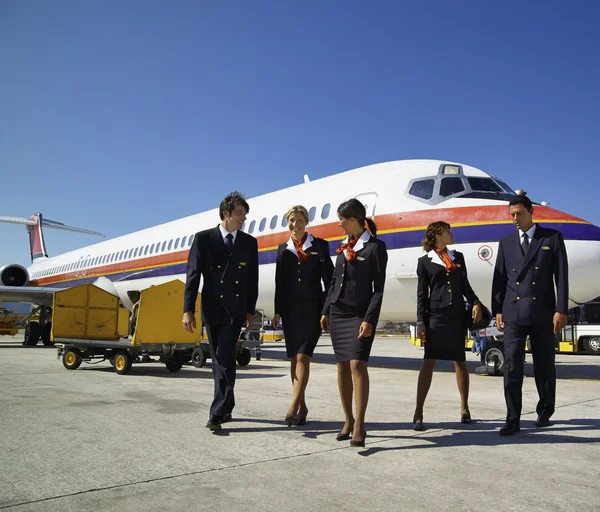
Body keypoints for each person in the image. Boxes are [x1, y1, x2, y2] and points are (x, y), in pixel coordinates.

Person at [492, 193, 568, 435]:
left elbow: (562, 277)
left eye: (519, 214)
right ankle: (512, 419)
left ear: (531, 212)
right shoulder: (506, 242)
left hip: (542, 312)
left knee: (544, 366)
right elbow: (500, 279)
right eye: (512, 215)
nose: (515, 219)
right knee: (512, 367)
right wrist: (497, 309)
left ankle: (545, 411)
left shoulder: (551, 238)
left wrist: (561, 309)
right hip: (513, 312)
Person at [182, 191, 259, 433]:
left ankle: (216, 413)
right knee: (219, 360)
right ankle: (228, 404)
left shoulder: (249, 243)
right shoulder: (204, 239)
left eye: (245, 215)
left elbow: (252, 281)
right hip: (213, 308)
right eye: (239, 213)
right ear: (226, 213)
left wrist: (249, 311)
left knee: (224, 359)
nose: (243, 218)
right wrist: (188, 310)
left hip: (234, 310)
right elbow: (193, 277)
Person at [320, 199, 387, 447]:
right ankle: (347, 419)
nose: (338, 223)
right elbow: (333, 283)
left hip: (359, 314)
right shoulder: (343, 247)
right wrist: (326, 310)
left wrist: (369, 319)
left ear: (352, 220)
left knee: (358, 365)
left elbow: (378, 290)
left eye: (341, 219)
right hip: (337, 313)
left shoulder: (375, 248)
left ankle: (360, 424)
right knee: (341, 367)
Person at [414, 221, 482, 430]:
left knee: (460, 362)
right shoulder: (424, 261)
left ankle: (464, 408)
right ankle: (418, 411)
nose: (451, 234)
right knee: (429, 362)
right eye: (447, 231)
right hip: (435, 317)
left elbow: (465, 285)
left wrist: (476, 301)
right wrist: (421, 322)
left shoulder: (457, 258)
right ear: (437, 235)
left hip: (456, 316)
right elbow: (421, 295)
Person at [272, 205, 334, 426]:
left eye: (299, 220)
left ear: (306, 222)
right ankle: (302, 406)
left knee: (303, 356)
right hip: (290, 310)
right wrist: (277, 310)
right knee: (293, 358)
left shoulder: (319, 246)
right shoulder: (282, 249)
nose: (295, 224)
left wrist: (326, 310)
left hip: (312, 310)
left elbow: (330, 282)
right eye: (291, 220)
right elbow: (280, 283)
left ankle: (292, 406)